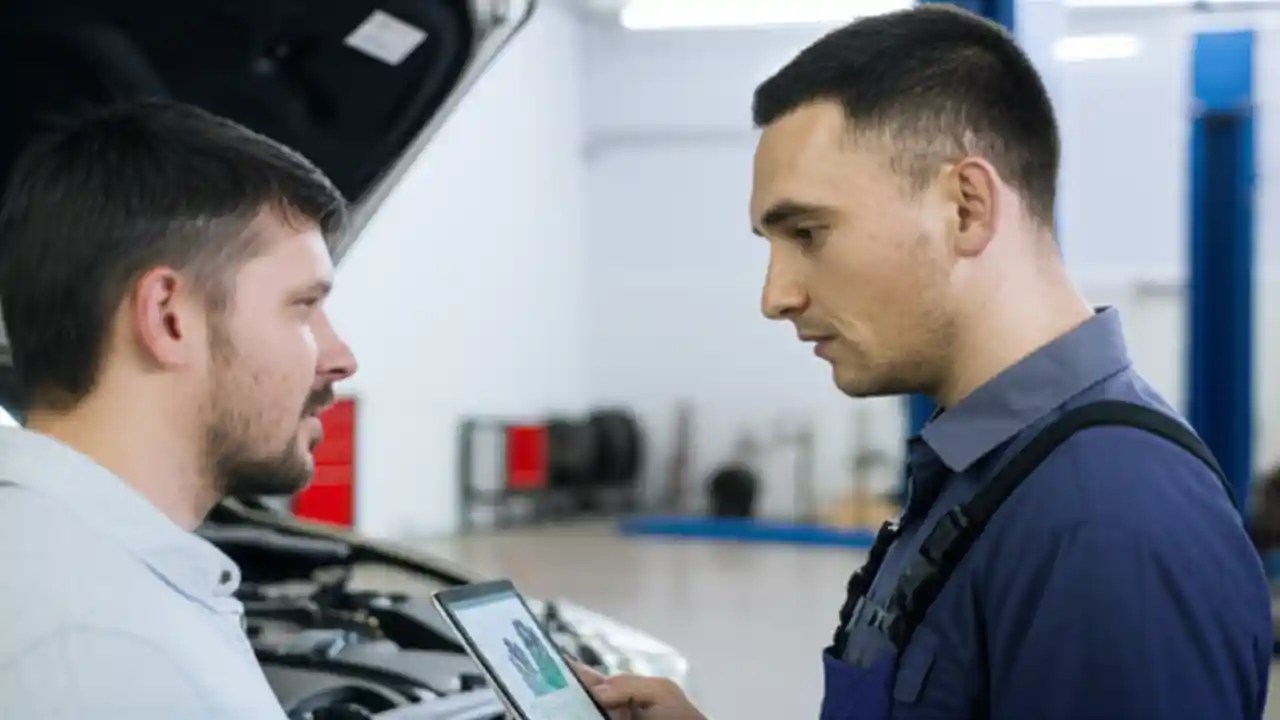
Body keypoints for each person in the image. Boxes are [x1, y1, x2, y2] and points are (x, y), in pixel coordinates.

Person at [578, 6, 1272, 720]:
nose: (776, 296)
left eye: (809, 232)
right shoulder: (989, 471)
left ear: (966, 209)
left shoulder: (1105, 527)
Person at [0, 99, 357, 717]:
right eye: (302, 307)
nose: (340, 357)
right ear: (169, 317)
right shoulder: (107, 654)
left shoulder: (59, 565)